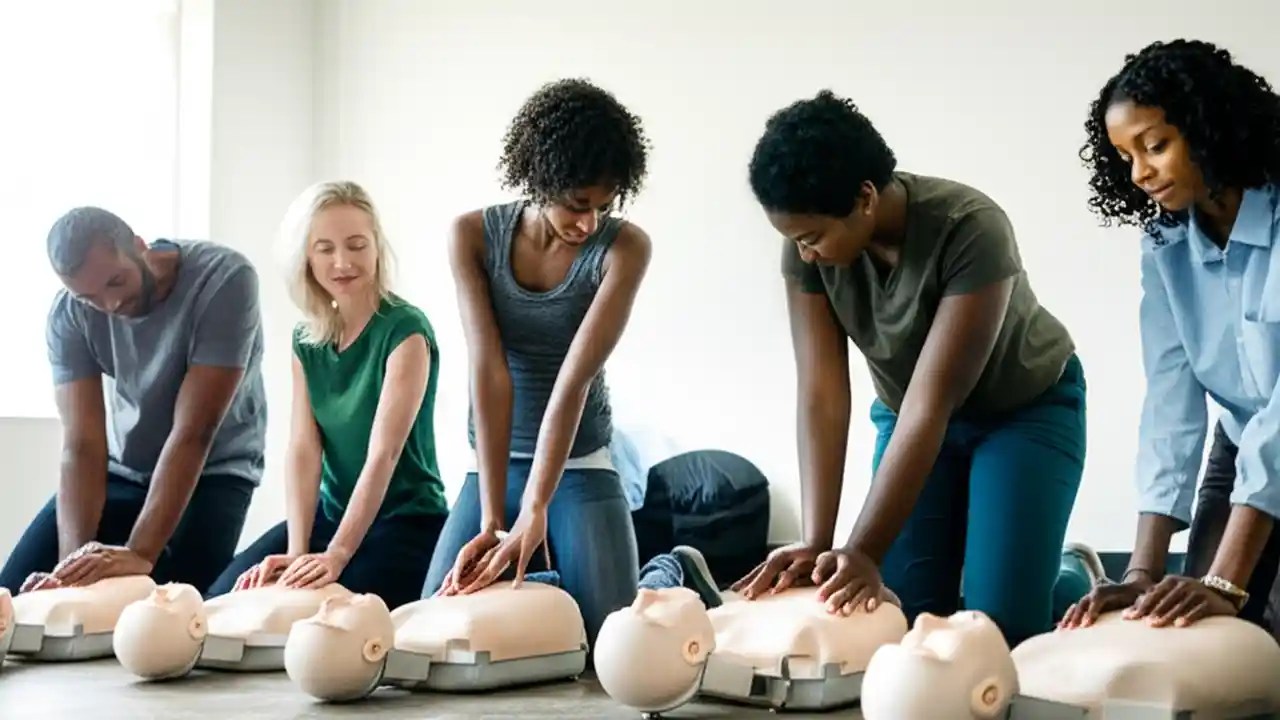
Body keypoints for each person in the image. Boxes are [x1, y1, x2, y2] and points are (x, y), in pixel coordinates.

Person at [734, 90, 1087, 648]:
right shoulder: (808, 252)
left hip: (1023, 413)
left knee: (996, 633)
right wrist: (819, 542)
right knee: (901, 617)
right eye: (795, 241)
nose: (805, 255)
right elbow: (822, 394)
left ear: (865, 197)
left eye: (812, 238)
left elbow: (933, 401)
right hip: (908, 420)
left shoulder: (971, 228)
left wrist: (864, 548)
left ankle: (1069, 578)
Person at [421, 78, 652, 648]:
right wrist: (493, 520)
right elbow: (489, 371)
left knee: (610, 645)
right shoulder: (472, 235)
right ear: (540, 179)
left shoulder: (625, 249)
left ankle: (670, 573)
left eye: (605, 206)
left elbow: (573, 382)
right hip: (494, 461)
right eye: (577, 205)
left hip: (581, 457)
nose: (589, 224)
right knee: (436, 625)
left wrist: (537, 507)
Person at [1060, 39, 1280, 632]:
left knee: (1256, 627)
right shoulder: (1165, 245)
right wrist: (1139, 575)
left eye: (1156, 145)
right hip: (1240, 446)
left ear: (1212, 129)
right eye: (1126, 155)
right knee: (1184, 625)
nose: (1140, 172)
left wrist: (1227, 581)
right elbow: (1171, 402)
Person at [206, 181, 449, 611]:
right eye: (325, 248)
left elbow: (384, 455)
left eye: (357, 245)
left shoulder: (405, 331)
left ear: (377, 248)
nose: (342, 262)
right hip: (329, 516)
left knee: (324, 611)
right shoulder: (308, 340)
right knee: (222, 599)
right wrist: (300, 551)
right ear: (306, 257)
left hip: (406, 522)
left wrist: (337, 554)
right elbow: (303, 448)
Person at [0, 207, 266, 596]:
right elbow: (82, 445)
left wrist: (141, 552)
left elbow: (194, 430)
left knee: (162, 616)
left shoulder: (224, 279)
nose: (109, 304)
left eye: (116, 282)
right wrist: (70, 570)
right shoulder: (69, 313)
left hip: (213, 473)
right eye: (89, 296)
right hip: (124, 471)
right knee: (17, 598)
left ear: (140, 247)